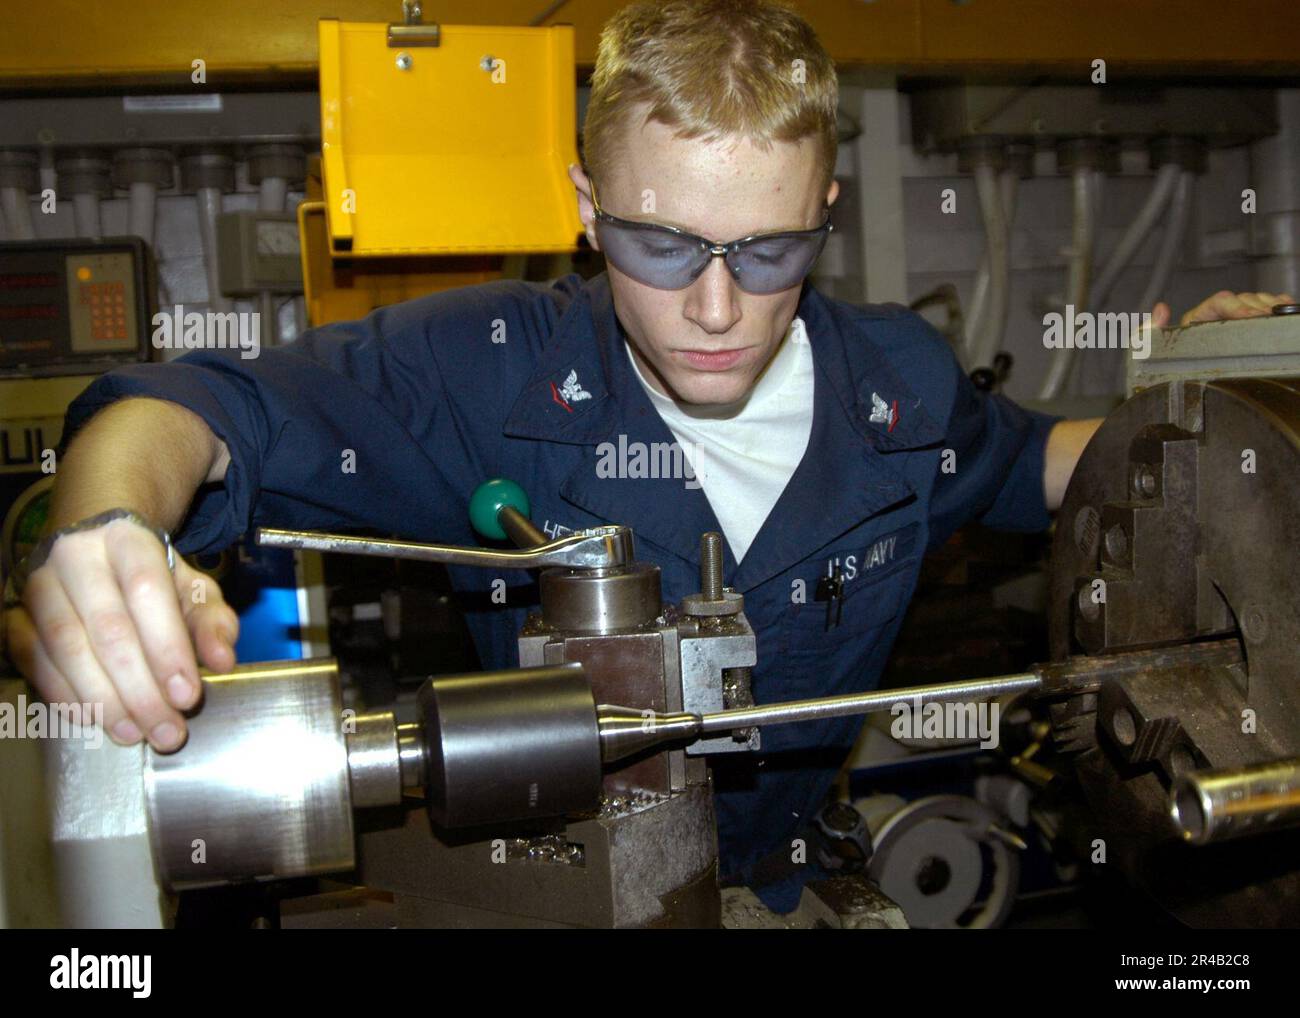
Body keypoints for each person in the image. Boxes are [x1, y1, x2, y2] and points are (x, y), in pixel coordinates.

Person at [2, 0, 1292, 910]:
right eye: (662, 248)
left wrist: (1215, 396)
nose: (718, 309)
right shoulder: (483, 366)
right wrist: (105, 527)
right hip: (561, 896)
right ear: (583, 206)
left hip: (795, 888)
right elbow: (200, 407)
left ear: (826, 213)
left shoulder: (898, 380)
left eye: (770, 251)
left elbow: (1037, 467)